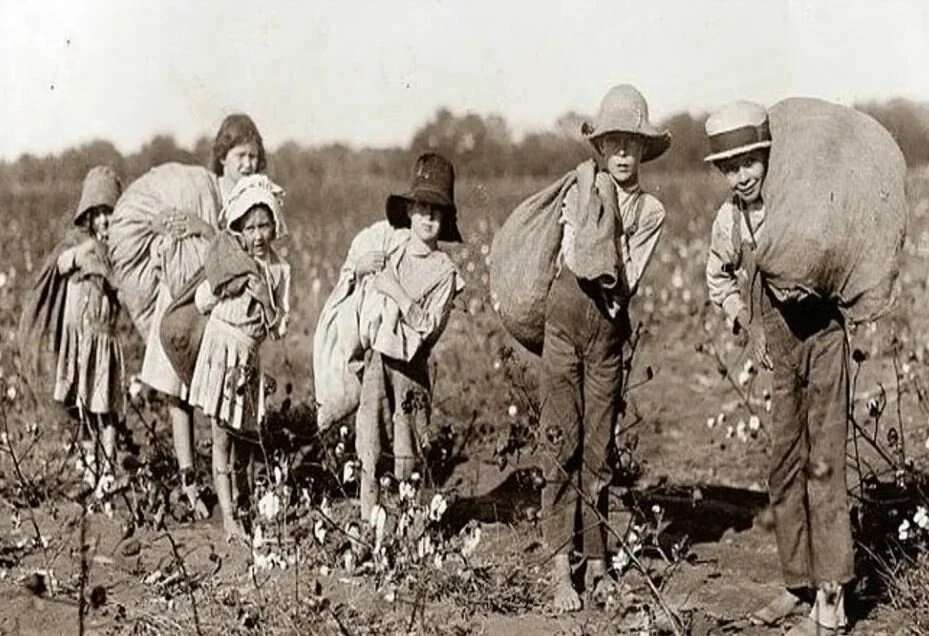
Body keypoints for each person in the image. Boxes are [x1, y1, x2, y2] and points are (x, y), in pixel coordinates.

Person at [704, 100, 852, 635]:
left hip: (825, 339)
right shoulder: (729, 220)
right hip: (780, 347)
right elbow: (717, 276)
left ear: (768, 158)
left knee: (825, 462)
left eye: (750, 163)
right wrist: (745, 316)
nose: (742, 176)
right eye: (730, 167)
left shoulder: (800, 200)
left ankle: (832, 593)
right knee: (785, 464)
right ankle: (798, 585)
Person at [538, 84, 669, 612]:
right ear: (600, 147)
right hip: (564, 322)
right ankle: (557, 566)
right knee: (559, 441)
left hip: (607, 332)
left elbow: (627, 276)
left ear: (642, 150)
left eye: (631, 144)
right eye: (612, 142)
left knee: (598, 449)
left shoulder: (651, 210)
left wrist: (606, 241)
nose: (621, 153)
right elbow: (570, 256)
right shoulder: (579, 187)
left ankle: (596, 562)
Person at [110, 113, 267, 518]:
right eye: (239, 155)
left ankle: (232, 484)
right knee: (177, 392)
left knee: (221, 395)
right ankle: (188, 481)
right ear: (223, 159)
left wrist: (202, 228)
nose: (247, 164)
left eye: (253, 156)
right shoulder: (203, 188)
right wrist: (181, 234)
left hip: (224, 310)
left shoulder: (252, 202)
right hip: (185, 296)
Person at [319, 153, 464, 522]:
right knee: (369, 445)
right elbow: (357, 277)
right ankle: (372, 524)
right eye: (421, 208)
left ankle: (408, 529)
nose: (427, 217)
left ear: (445, 218)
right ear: (410, 210)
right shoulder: (393, 246)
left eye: (436, 210)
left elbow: (427, 328)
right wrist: (362, 269)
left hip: (410, 372)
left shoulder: (444, 273)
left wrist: (397, 292)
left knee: (406, 450)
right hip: (376, 363)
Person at [187, 174, 291, 540]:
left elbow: (278, 329)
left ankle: (244, 509)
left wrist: (265, 297)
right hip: (221, 349)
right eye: (250, 227)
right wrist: (227, 287)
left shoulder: (280, 271)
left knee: (245, 441)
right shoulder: (230, 259)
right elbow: (202, 301)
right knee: (222, 438)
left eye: (264, 225)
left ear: (274, 225)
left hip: (247, 356)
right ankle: (229, 518)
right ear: (239, 230)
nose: (258, 235)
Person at [20, 166, 124, 495]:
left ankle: (109, 469)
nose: (104, 221)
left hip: (101, 340)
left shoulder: (119, 252)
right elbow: (60, 264)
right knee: (83, 408)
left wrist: (104, 272)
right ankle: (91, 467)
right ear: (88, 217)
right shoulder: (78, 245)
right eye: (98, 215)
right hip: (76, 343)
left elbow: (122, 290)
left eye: (110, 213)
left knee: (104, 407)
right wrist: (81, 256)